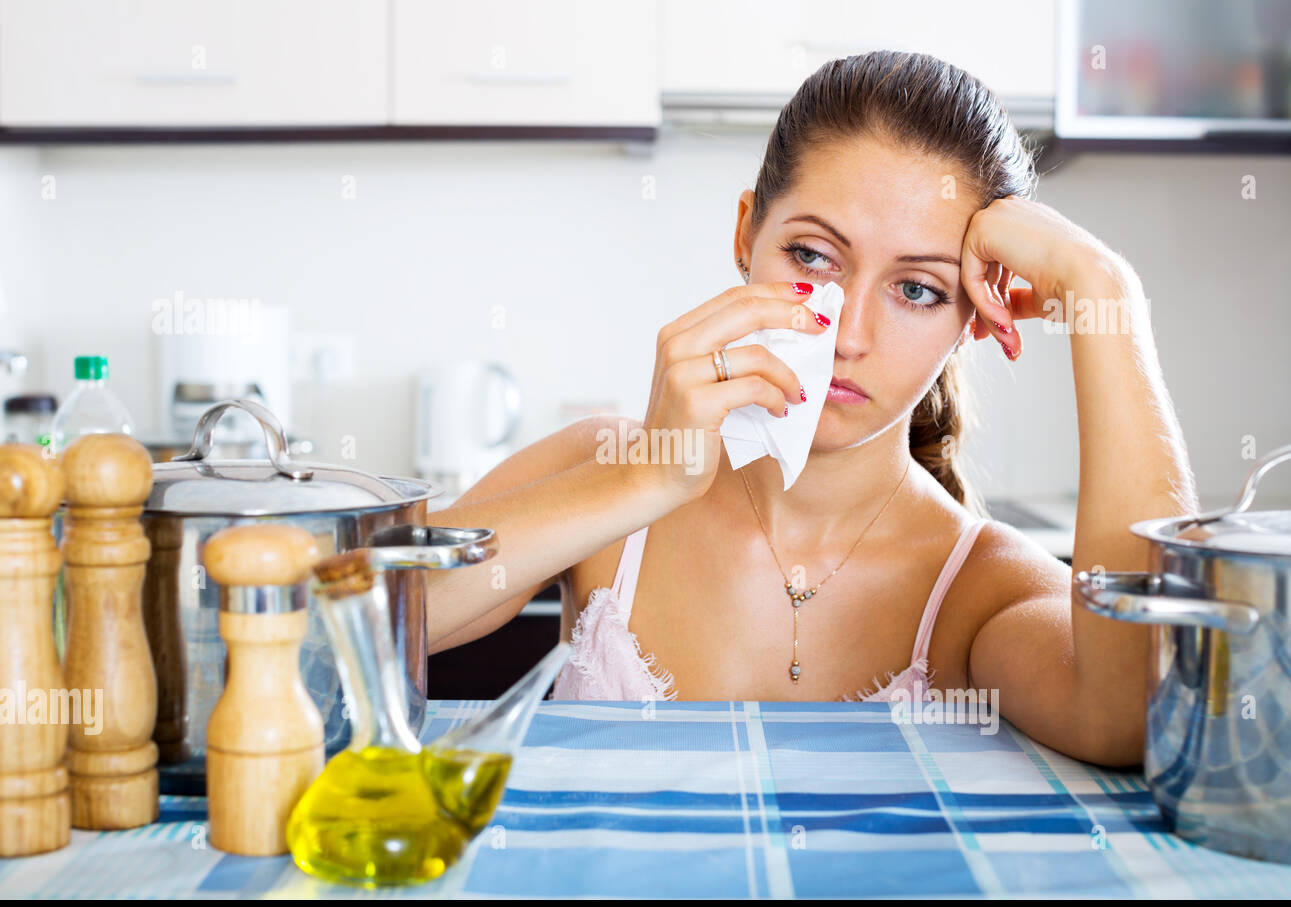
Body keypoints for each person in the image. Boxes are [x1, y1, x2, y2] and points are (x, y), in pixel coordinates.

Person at [425, 51, 1195, 768]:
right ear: (745, 235)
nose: (849, 336)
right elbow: (363, 619)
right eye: (814, 257)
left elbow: (1134, 715)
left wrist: (1106, 293)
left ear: (974, 320)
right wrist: (642, 486)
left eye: (918, 290)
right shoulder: (607, 468)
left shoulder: (978, 585)